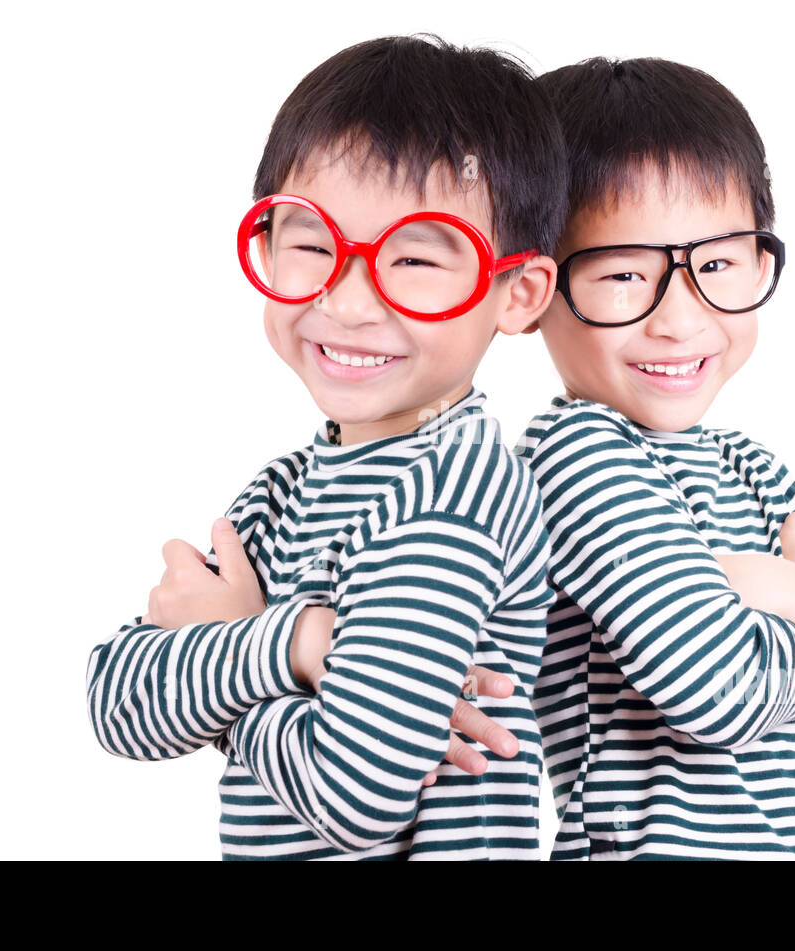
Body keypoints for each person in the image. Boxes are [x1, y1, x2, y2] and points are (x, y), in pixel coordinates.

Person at [86, 34, 567, 859]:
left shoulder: (457, 490)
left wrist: (234, 645)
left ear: (515, 293)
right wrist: (298, 641)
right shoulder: (283, 488)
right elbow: (117, 705)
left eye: (413, 258)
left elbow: (354, 794)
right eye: (311, 244)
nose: (345, 303)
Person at [514, 57, 795, 859]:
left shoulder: (747, 463)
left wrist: (781, 586)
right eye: (622, 274)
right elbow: (720, 689)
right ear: (532, 289)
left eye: (716, 264)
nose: (680, 320)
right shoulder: (573, 457)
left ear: (760, 260)